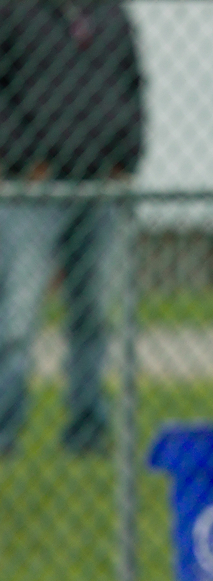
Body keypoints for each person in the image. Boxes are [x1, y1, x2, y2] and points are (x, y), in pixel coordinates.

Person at [0, 0, 143, 455]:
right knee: (18, 316)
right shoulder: (15, 12)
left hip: (99, 182)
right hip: (34, 189)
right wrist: (22, 159)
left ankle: (87, 429)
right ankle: (4, 429)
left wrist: (128, 155)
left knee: (93, 317)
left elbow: (135, 85)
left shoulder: (111, 14)